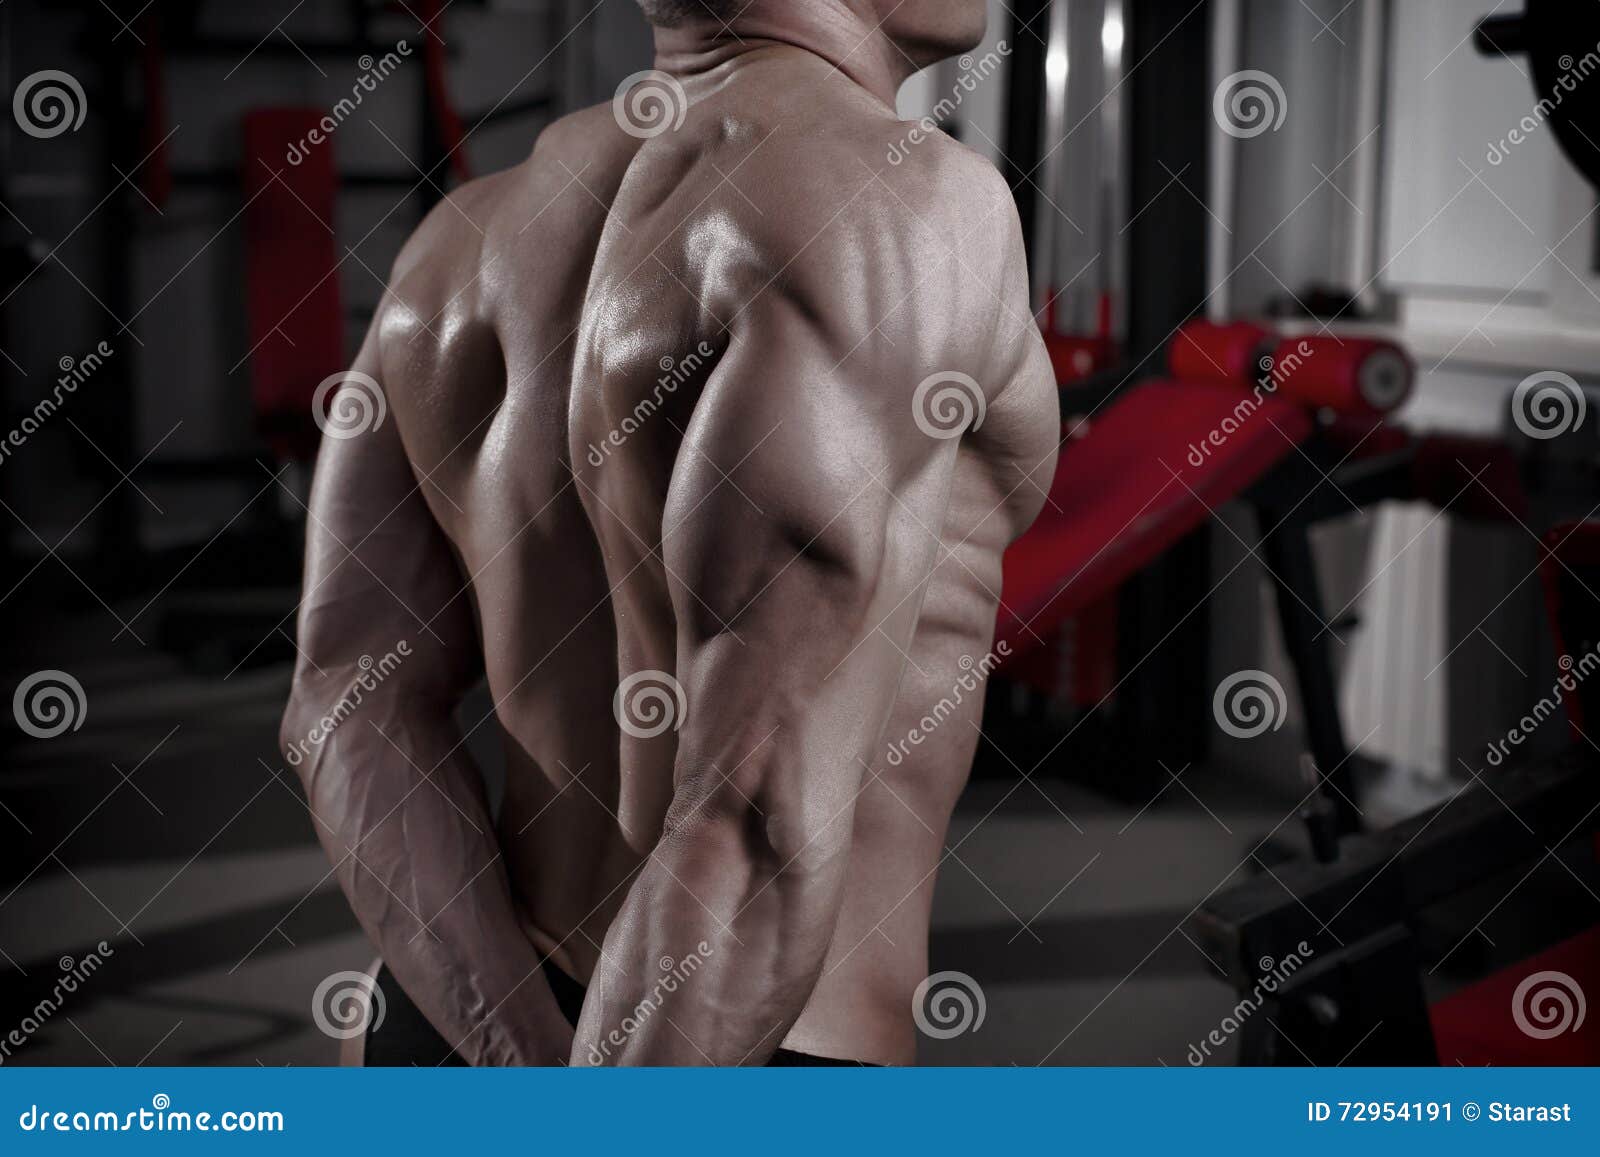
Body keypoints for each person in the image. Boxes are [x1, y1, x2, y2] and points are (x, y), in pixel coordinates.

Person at [280, 0, 1058, 1067]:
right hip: (743, 1052)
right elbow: (753, 813)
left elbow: (344, 701)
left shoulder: (454, 245)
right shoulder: (908, 200)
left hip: (449, 1021)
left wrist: (515, 1060)